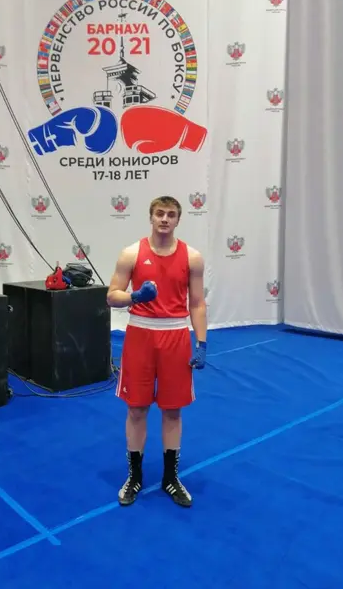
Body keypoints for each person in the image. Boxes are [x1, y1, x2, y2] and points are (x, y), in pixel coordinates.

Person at [107, 195, 207, 508]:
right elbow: (112, 296)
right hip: (140, 335)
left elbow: (197, 303)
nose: (165, 219)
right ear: (151, 217)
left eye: (171, 214)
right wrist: (135, 296)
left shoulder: (192, 257)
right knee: (136, 409)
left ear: (178, 220)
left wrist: (202, 342)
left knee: (173, 410)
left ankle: (170, 477)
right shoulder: (131, 253)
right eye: (160, 213)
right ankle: (134, 476)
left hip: (175, 336)